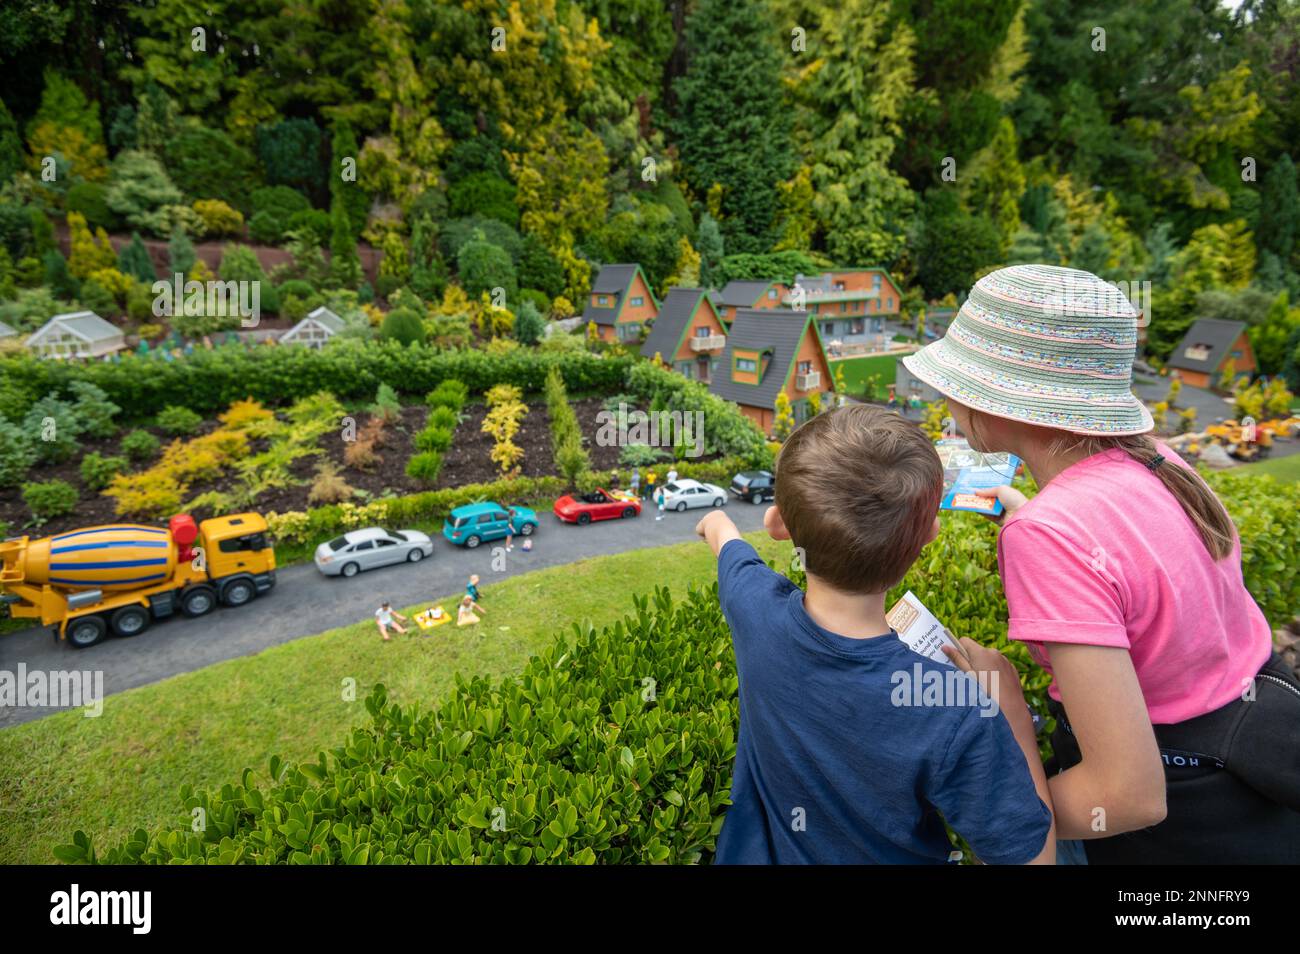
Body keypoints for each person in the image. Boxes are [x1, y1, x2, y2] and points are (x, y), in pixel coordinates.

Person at [902, 263, 1300, 863]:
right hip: (1254, 771)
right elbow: (1125, 553)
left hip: (1174, 838)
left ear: (1010, 403)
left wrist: (1000, 735)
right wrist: (1040, 514)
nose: (945, 396)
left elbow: (1127, 797)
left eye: (960, 380)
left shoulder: (1048, 535)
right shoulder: (1159, 462)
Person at [695, 404, 1054, 864]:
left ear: (779, 526)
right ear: (929, 533)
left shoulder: (754, 612)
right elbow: (1029, 857)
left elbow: (728, 546)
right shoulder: (954, 709)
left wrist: (716, 524)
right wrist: (1014, 719)